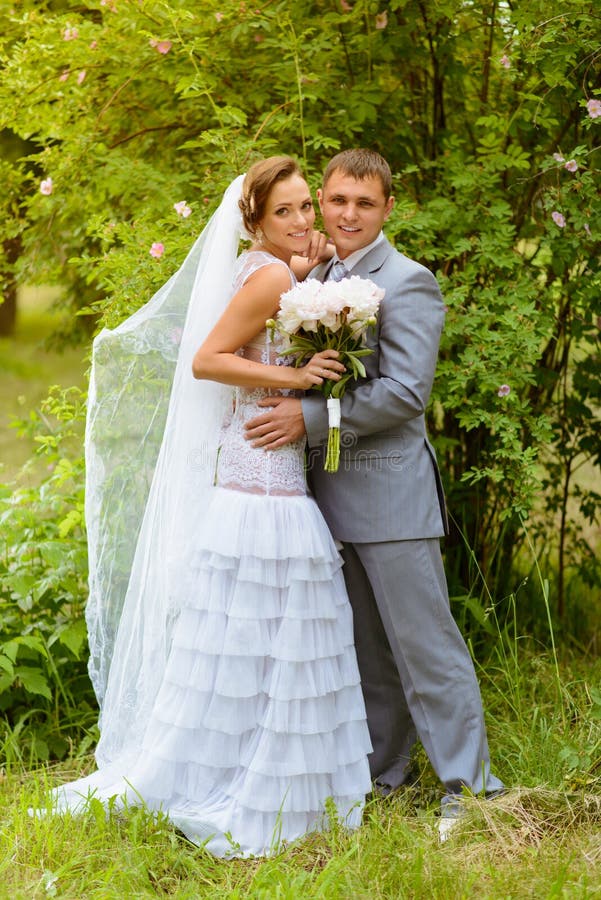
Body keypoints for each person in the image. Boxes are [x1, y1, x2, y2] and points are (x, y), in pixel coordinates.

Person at [36, 157, 372, 857]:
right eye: (285, 211)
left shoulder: (274, 270)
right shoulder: (272, 275)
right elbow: (209, 358)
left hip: (264, 470)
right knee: (265, 623)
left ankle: (245, 764)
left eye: (306, 206)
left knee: (248, 633)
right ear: (253, 220)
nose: (303, 220)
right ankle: (254, 782)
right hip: (260, 476)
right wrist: (297, 374)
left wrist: (310, 280)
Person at [244, 149, 505, 837]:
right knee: (364, 653)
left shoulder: (407, 282)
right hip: (327, 498)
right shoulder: (319, 275)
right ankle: (387, 780)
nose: (347, 213)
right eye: (336, 201)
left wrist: (304, 421)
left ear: (388, 207)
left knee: (425, 650)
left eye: (363, 202)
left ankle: (471, 792)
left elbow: (402, 393)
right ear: (322, 204)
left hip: (390, 499)